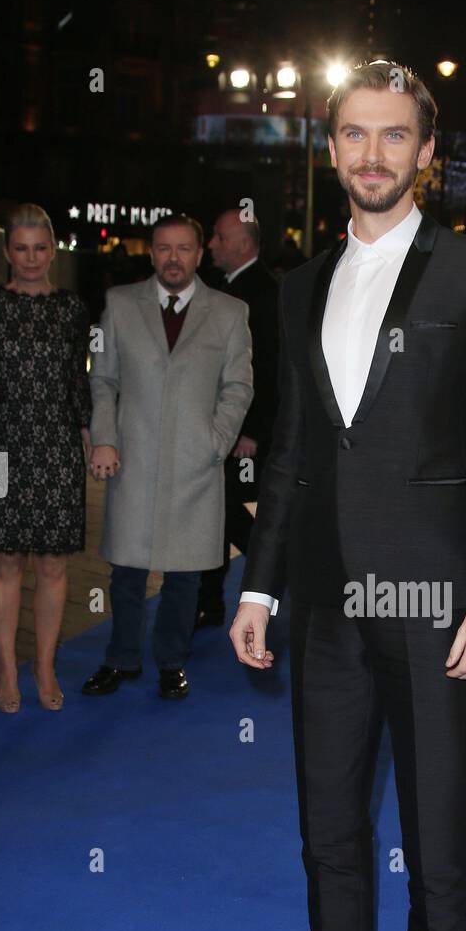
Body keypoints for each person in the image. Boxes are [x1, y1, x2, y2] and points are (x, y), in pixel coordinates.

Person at [228, 60, 466, 931]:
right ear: (329, 148)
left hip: (436, 607)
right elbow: (295, 452)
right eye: (354, 135)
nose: (372, 154)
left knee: (438, 837)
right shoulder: (299, 286)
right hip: (323, 610)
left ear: (424, 151)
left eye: (392, 136)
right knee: (328, 832)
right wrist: (258, 578)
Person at [82, 214, 253, 700]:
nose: (173, 258)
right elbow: (104, 380)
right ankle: (121, 659)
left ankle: (172, 662)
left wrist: (215, 442)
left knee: (185, 574)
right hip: (132, 459)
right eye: (163, 248)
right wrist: (105, 438)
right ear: (151, 253)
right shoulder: (120, 304)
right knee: (127, 572)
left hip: (197, 463)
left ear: (199, 254)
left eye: (183, 248)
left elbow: (238, 387)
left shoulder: (229, 311)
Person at [0, 202, 92, 712]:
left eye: (40, 248)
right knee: (5, 562)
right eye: (21, 248)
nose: (31, 258)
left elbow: (78, 385)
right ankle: (5, 669)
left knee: (55, 565)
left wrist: (89, 441)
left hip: (57, 447)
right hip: (0, 445)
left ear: (52, 251)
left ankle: (44, 665)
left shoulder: (72, 309)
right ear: (6, 251)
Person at [194, 208, 280, 629]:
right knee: (217, 511)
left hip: (242, 435)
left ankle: (276, 572)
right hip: (223, 429)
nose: (212, 244)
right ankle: (210, 600)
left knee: (223, 510)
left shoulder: (263, 294)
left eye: (219, 237)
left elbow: (269, 371)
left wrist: (250, 432)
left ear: (243, 244)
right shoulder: (224, 287)